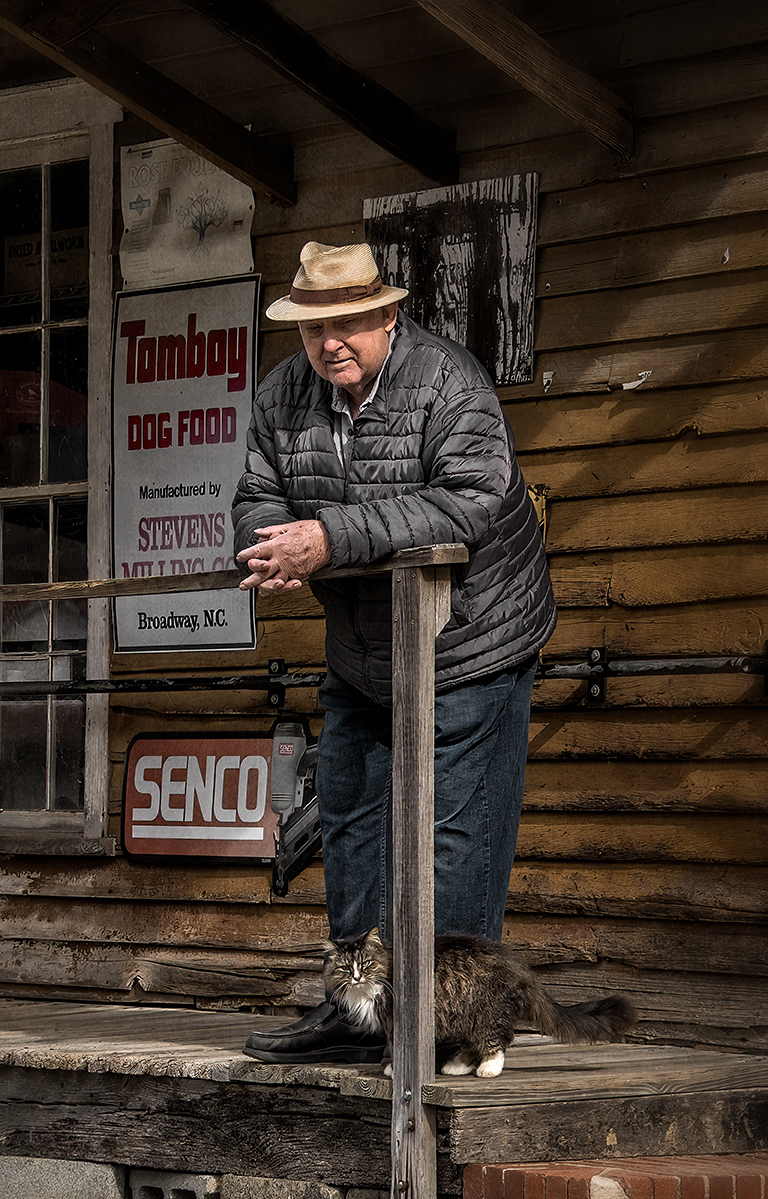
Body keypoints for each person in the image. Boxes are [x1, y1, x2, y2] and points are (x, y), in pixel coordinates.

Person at [232, 241, 556, 1064]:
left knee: (458, 831)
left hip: (471, 641)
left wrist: (330, 538)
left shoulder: (450, 382)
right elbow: (258, 492)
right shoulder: (283, 394)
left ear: (387, 314)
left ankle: (450, 1023)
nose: (329, 342)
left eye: (347, 324)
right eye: (314, 329)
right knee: (348, 817)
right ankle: (358, 1011)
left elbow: (468, 503)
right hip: (365, 652)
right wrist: (266, 544)